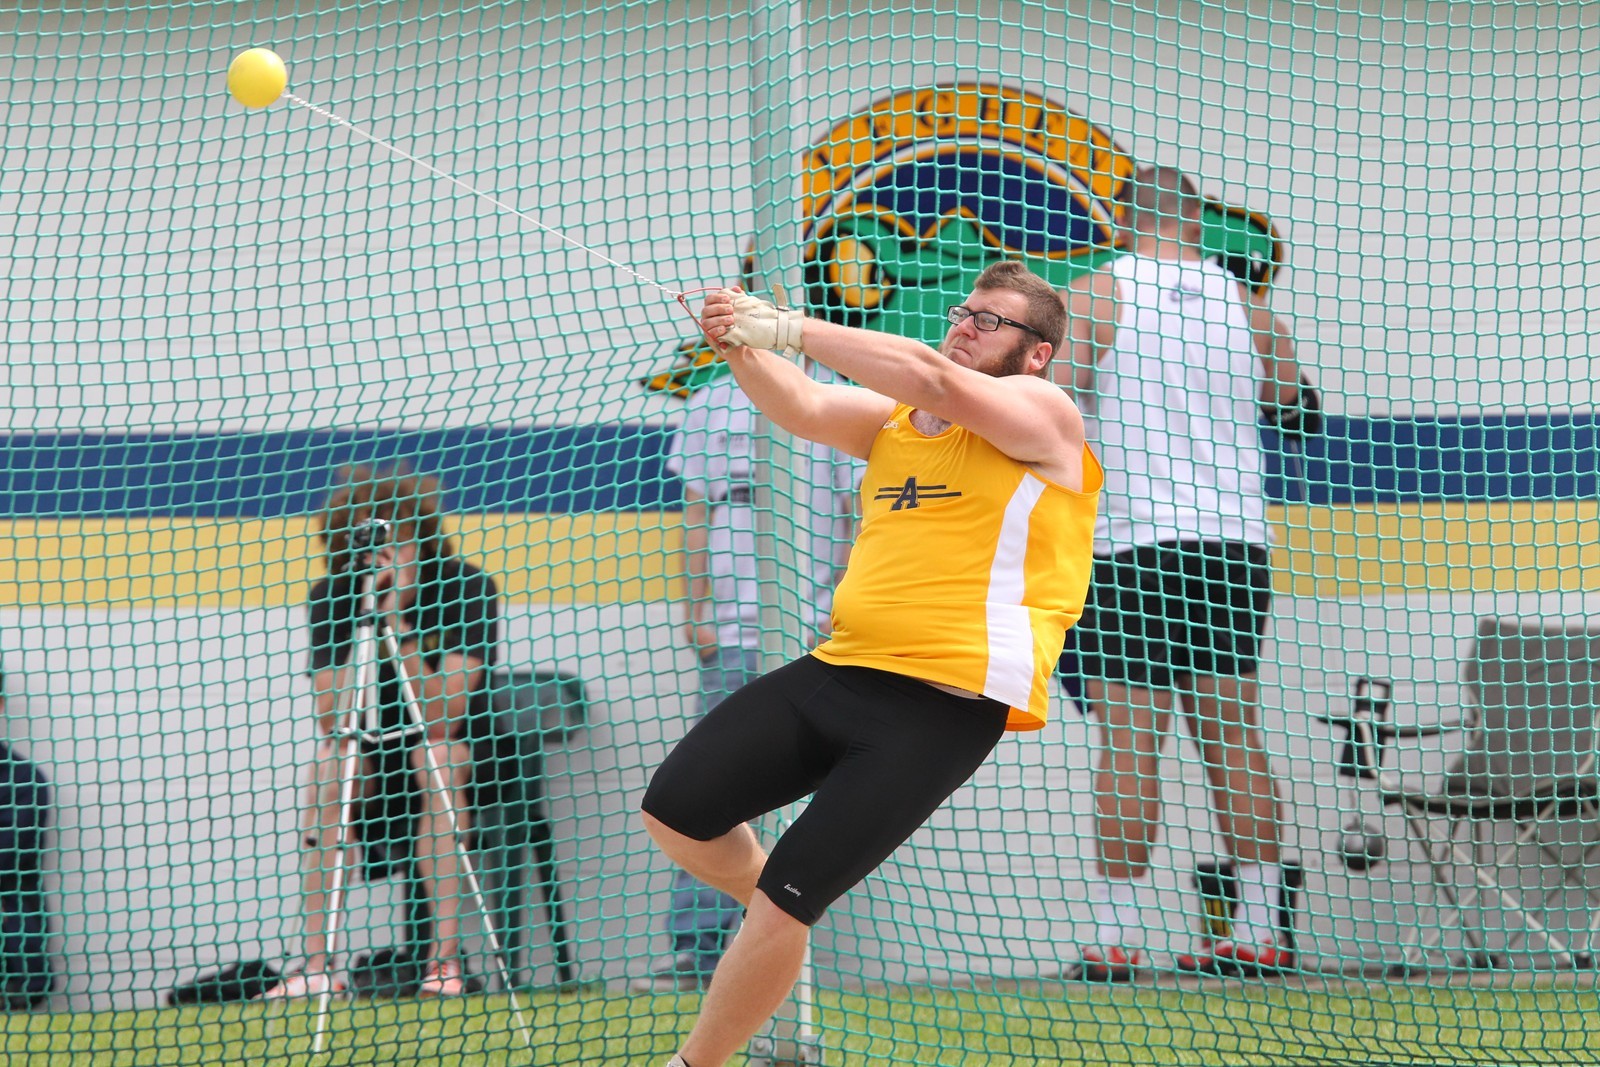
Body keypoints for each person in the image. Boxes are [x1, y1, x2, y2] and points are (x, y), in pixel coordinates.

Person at [640, 260, 1101, 1067]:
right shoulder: (900, 419)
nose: (965, 326)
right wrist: (739, 343)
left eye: (991, 320)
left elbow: (932, 376)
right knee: (675, 809)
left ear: (1037, 354)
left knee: (787, 902)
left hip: (944, 706)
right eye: (964, 312)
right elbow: (806, 404)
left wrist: (785, 326)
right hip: (845, 666)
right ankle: (774, 906)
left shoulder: (1046, 411)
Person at [1055, 164, 1314, 981]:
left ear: (1122, 221)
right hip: (1234, 545)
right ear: (1199, 223)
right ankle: (1259, 929)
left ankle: (1115, 937)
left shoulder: (1096, 295)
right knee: (1233, 733)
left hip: (1133, 545)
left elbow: (1055, 406)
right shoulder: (1251, 307)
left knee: (1131, 740)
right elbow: (1295, 406)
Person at [633, 373, 860, 993]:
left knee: (816, 804)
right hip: (734, 635)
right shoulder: (712, 401)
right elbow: (696, 514)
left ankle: (778, 950)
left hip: (815, 636)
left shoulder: (837, 395)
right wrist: (695, 611)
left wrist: (837, 612)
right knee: (712, 795)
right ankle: (701, 949)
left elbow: (860, 517)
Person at [259, 466, 501, 999]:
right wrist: (366, 617)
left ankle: (443, 962)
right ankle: (317, 966)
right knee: (329, 769)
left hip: (460, 750)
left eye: (393, 541)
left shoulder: (465, 586)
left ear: (422, 540)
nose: (380, 556)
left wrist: (398, 624)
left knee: (436, 760)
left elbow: (443, 714)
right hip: (370, 749)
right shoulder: (334, 597)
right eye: (364, 544)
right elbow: (332, 719)